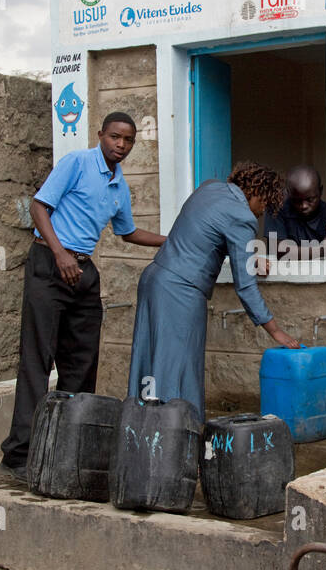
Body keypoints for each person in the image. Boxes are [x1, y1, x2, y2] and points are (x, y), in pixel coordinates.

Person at [0, 113, 165, 483]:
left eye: (128, 140)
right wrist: (59, 253)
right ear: (101, 135)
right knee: (37, 360)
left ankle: (65, 447)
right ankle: (18, 456)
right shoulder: (76, 162)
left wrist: (172, 240)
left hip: (83, 272)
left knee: (83, 362)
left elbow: (128, 232)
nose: (120, 145)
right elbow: (39, 207)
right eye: (115, 137)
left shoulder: (119, 186)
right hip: (50, 261)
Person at [128, 162, 300, 421]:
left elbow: (205, 236)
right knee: (178, 370)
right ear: (256, 192)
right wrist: (275, 330)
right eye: (264, 203)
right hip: (181, 292)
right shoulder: (242, 217)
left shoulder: (208, 188)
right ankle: (176, 438)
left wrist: (251, 257)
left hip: (154, 278)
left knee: (149, 363)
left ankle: (139, 430)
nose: (262, 211)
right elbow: (245, 285)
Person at [263, 164, 326, 260]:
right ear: (288, 192)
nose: (304, 206)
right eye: (297, 200)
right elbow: (277, 250)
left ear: (320, 191)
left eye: (310, 199)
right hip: (285, 273)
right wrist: (319, 250)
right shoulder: (276, 209)